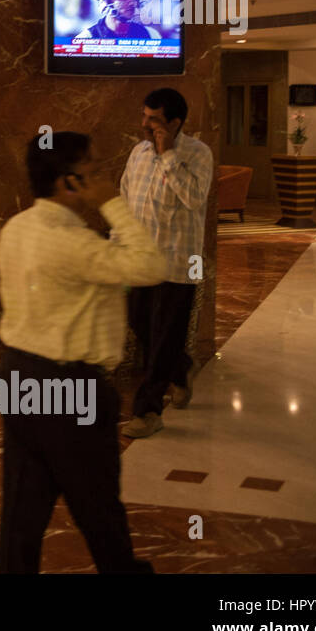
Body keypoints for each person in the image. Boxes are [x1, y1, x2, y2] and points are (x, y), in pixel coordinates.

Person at [0, 131, 168, 573]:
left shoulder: (15, 229)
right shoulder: (72, 243)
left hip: (18, 375)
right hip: (70, 388)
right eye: (93, 171)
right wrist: (113, 203)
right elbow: (151, 266)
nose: (102, 178)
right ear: (68, 181)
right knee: (97, 505)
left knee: (23, 508)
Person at [119, 88, 213, 438]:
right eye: (144, 117)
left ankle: (148, 411)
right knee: (141, 324)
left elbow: (193, 199)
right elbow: (126, 200)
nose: (145, 125)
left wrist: (169, 155)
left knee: (163, 336)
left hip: (179, 263)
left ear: (174, 123)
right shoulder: (138, 153)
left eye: (154, 120)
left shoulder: (198, 154)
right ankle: (182, 368)